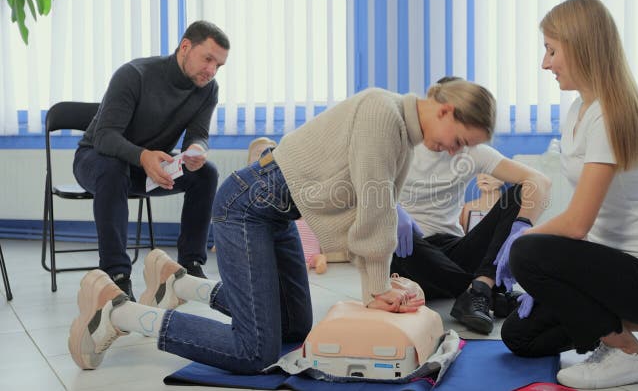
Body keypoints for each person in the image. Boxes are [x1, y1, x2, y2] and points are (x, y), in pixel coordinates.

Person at [68, 79, 497, 373]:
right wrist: (377, 289)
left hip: (277, 212)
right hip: (247, 205)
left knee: (294, 330)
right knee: (255, 350)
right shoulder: (383, 114)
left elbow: (378, 204)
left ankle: (179, 286)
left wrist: (379, 286)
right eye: (459, 140)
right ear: (445, 109)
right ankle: (120, 312)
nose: (452, 150)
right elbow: (374, 206)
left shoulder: (404, 133)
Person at [496, 0, 638, 389]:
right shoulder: (579, 111)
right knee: (519, 337)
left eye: (552, 50)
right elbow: (588, 231)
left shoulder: (610, 114)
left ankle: (626, 350)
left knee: (527, 252)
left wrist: (522, 245)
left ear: (583, 46)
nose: (545, 63)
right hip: (619, 269)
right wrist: (550, 286)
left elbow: (576, 225)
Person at [73, 21, 229, 297]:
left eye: (218, 65)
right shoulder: (134, 75)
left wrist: (195, 151)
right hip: (97, 159)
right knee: (113, 167)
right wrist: (142, 155)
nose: (211, 70)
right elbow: (105, 137)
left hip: (148, 166)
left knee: (206, 173)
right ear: (185, 47)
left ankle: (191, 265)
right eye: (208, 59)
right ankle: (117, 276)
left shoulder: (208, 89)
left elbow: (198, 134)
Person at [390, 98, 552, 334]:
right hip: (410, 254)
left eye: (462, 139)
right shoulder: (399, 144)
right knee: (395, 235)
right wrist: (391, 208)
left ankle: (480, 288)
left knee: (518, 193)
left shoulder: (471, 151)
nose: (455, 146)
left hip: (452, 251)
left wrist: (521, 227)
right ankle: (486, 293)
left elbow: (540, 182)